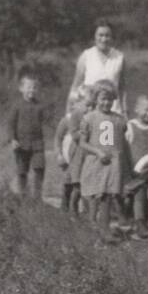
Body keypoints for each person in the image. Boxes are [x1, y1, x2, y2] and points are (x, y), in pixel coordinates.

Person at [78, 80, 129, 244]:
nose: (106, 102)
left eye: (109, 99)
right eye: (102, 99)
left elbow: (122, 143)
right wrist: (98, 152)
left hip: (112, 164)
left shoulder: (119, 119)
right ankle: (92, 227)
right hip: (95, 162)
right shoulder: (89, 118)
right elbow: (82, 142)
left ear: (114, 100)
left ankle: (105, 229)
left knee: (107, 195)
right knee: (93, 195)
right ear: (95, 99)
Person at [70, 20, 127, 115]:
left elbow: (122, 88)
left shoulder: (120, 58)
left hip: (113, 112)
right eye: (100, 35)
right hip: (89, 111)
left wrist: (125, 111)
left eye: (107, 35)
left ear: (112, 37)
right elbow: (75, 87)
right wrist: (69, 111)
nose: (104, 39)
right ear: (95, 36)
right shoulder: (86, 56)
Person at [6, 66, 47, 198]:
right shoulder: (17, 106)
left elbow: (46, 122)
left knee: (40, 167)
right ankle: (23, 195)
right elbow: (11, 124)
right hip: (21, 144)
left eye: (34, 87)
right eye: (28, 87)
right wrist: (13, 139)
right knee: (22, 170)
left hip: (37, 143)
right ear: (21, 88)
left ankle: (37, 195)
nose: (32, 90)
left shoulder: (40, 106)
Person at [124, 95, 148, 238]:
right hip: (133, 172)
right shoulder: (130, 126)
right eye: (146, 110)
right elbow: (124, 149)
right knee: (139, 192)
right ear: (136, 109)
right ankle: (139, 222)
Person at [56, 85, 93, 214]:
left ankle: (80, 209)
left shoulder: (91, 119)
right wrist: (59, 154)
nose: (89, 109)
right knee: (69, 182)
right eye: (87, 105)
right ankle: (65, 206)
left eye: (91, 106)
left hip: (83, 154)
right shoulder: (67, 120)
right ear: (76, 104)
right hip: (69, 154)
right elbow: (58, 138)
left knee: (80, 182)